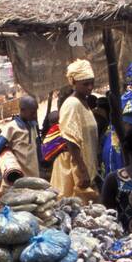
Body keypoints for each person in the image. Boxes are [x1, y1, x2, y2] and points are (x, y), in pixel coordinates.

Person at [49, 60, 99, 200]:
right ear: (74, 83)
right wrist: (82, 171)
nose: (90, 87)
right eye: (85, 84)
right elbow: (71, 140)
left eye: (91, 82)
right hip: (74, 170)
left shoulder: (84, 103)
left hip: (85, 166)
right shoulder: (72, 104)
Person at [0, 96, 41, 184]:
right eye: (32, 113)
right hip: (19, 174)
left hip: (34, 172)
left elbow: (38, 147)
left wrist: (41, 159)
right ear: (22, 110)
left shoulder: (33, 126)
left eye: (36, 112)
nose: (35, 115)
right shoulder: (11, 127)